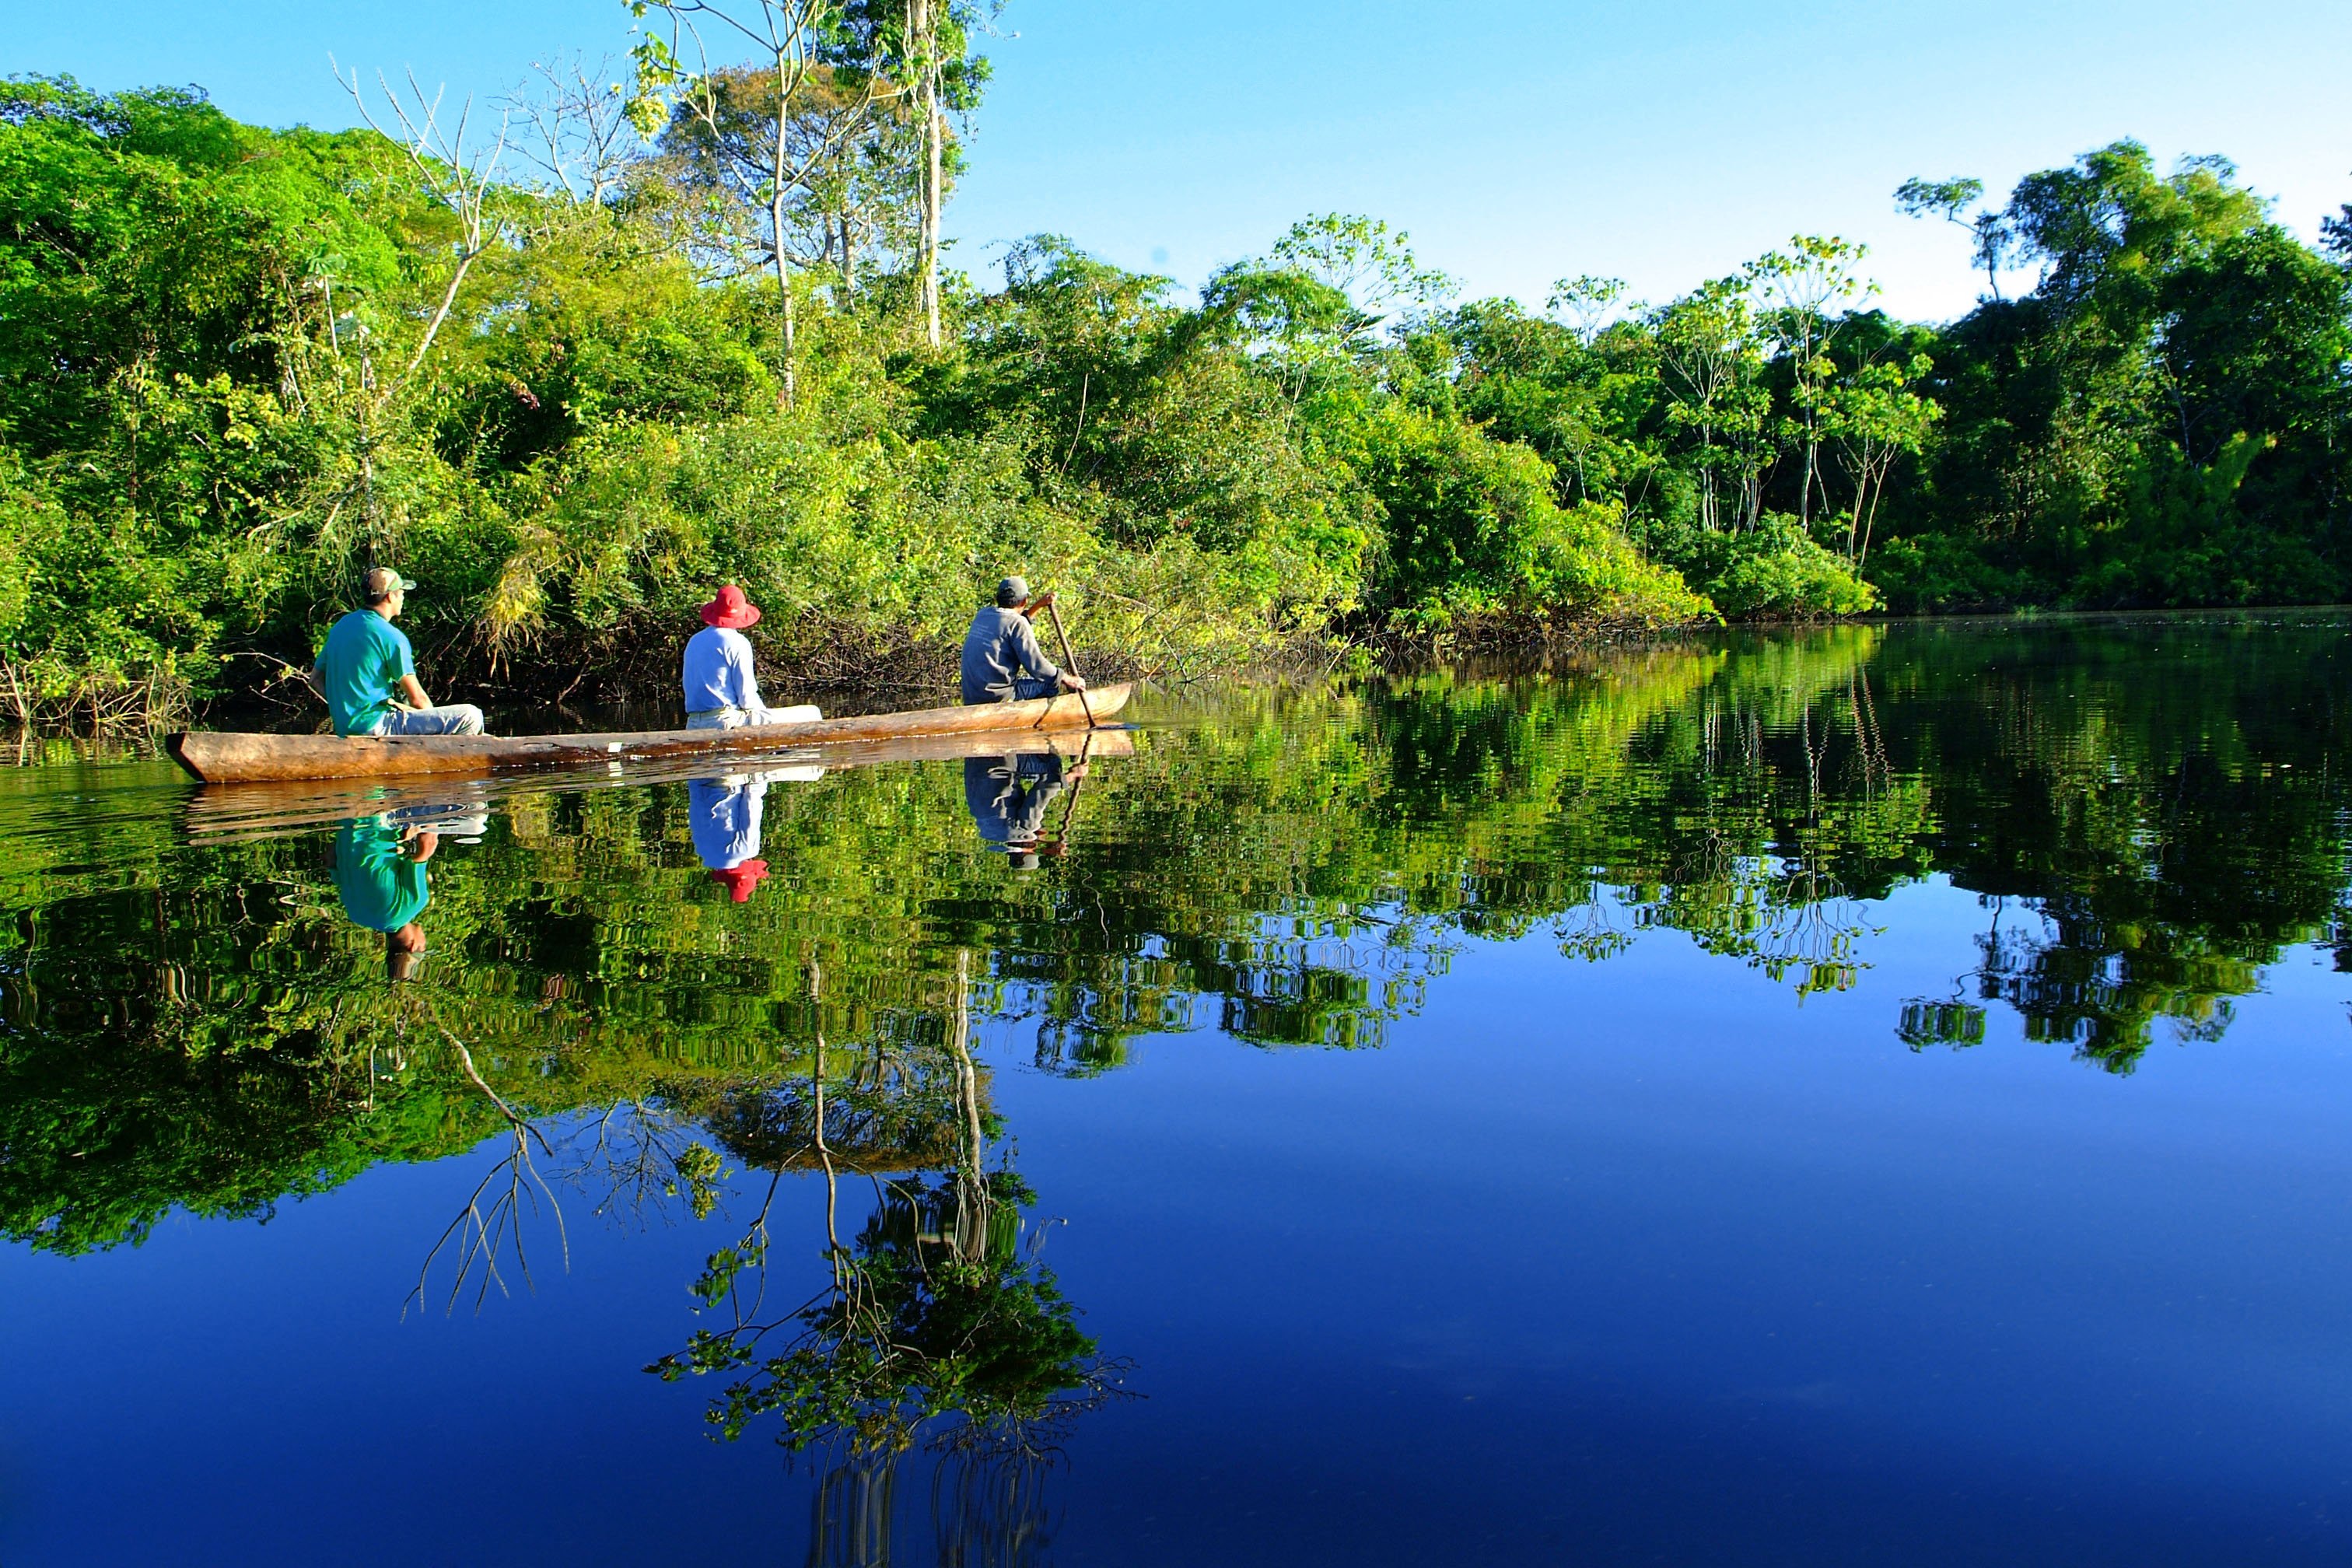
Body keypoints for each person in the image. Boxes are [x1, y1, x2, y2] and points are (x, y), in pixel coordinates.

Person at [308, 567, 487, 737]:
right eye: (401, 592)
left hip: (345, 727)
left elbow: (315, 679)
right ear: (390, 597)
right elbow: (418, 700)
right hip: (377, 726)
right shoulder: (391, 636)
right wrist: (434, 727)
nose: (403, 597)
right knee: (470, 715)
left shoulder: (341, 626)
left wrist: (344, 707)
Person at [682, 584, 821, 730]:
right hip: (725, 722)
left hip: (693, 723)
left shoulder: (694, 640)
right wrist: (765, 719)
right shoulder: (737, 642)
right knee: (812, 712)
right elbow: (747, 699)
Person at [334, 814, 437, 982]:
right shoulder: (356, 915)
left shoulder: (415, 903)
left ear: (414, 946)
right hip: (345, 824)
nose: (425, 940)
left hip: (379, 820)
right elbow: (331, 861)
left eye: (424, 946)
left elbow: (427, 843)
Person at [960, 576, 1090, 705]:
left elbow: (1010, 623)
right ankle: (1033, 716)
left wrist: (1038, 605)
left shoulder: (983, 614)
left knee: (1044, 679)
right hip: (1000, 697)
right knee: (1051, 684)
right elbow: (1037, 666)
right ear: (1024, 601)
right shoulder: (1017, 623)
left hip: (971, 697)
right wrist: (1067, 679)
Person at [963, 751, 1086, 870]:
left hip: (1000, 760)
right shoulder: (988, 831)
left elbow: (1046, 788)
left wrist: (1071, 776)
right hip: (973, 760)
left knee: (1052, 766)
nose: (1035, 844)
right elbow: (1015, 828)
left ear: (1030, 847)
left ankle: (1071, 749)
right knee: (1034, 776)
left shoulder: (1025, 829)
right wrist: (1043, 840)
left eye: (1034, 848)